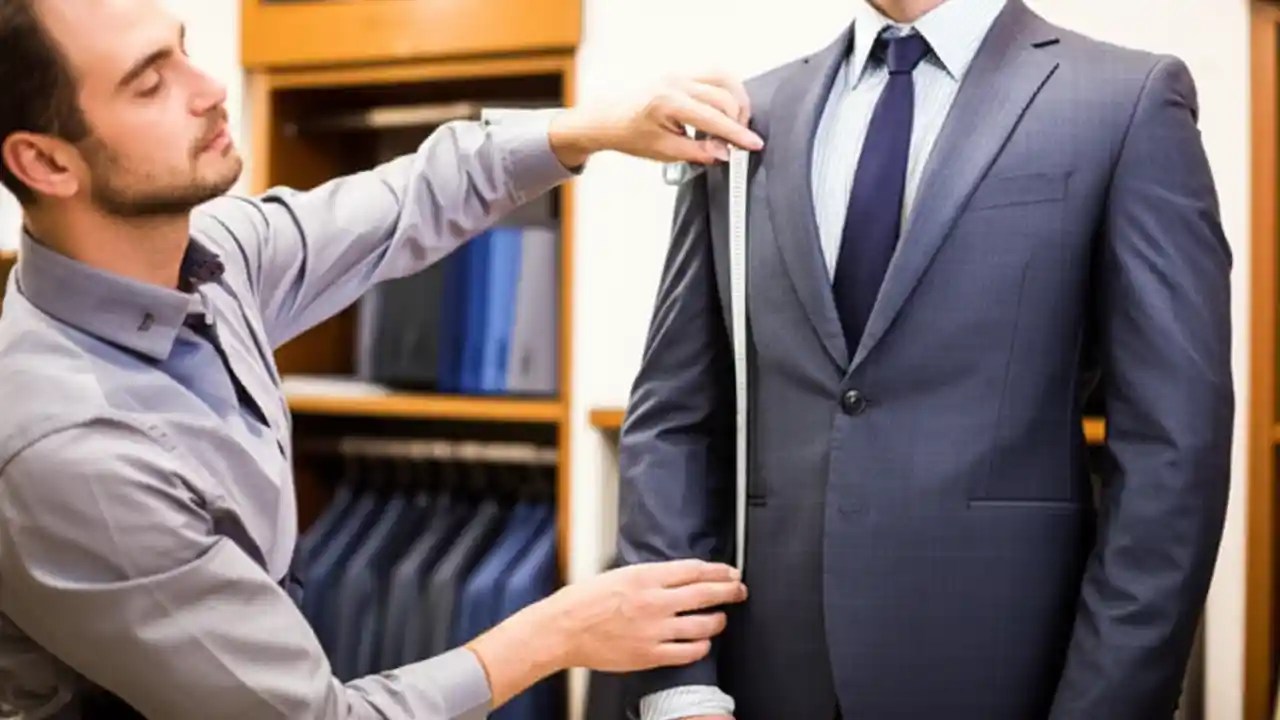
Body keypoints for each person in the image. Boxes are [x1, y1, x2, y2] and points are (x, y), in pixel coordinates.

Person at [0, 0, 766, 717]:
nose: (208, 90)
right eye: (149, 84)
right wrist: (559, 633)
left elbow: (404, 203)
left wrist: (590, 128)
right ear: (45, 161)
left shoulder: (212, 262)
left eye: (185, 51)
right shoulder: (71, 450)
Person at [616, 0, 1233, 718]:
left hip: (1009, 680)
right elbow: (674, 418)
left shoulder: (1122, 101)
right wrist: (680, 683)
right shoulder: (746, 117)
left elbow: (1173, 449)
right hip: (764, 683)